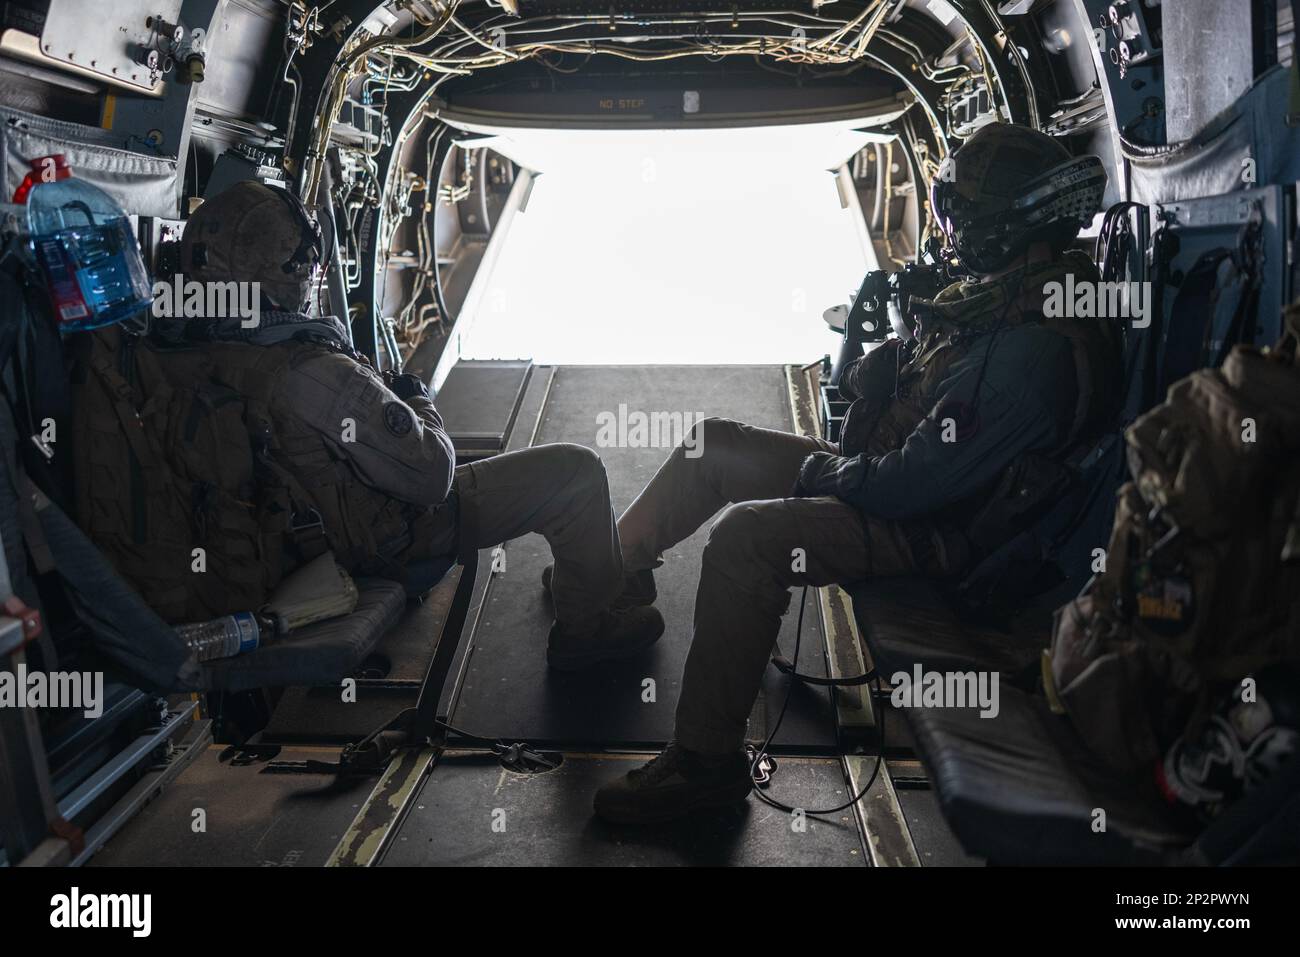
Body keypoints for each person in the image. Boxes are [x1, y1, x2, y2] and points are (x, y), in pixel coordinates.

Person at [586, 122, 1119, 823]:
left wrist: (818, 472)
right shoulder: (996, 303)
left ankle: (705, 764)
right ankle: (605, 585)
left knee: (747, 539)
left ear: (1003, 223)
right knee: (713, 445)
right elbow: (881, 428)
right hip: (900, 486)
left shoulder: (1031, 353)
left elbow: (910, 484)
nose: (948, 229)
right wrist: (874, 351)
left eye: (960, 212)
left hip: (938, 535)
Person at [155, 179, 664, 669]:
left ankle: (585, 576)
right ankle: (586, 628)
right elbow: (430, 476)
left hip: (282, 548)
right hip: (375, 545)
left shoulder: (186, 352)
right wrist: (419, 404)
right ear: (292, 274)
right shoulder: (313, 373)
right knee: (575, 472)